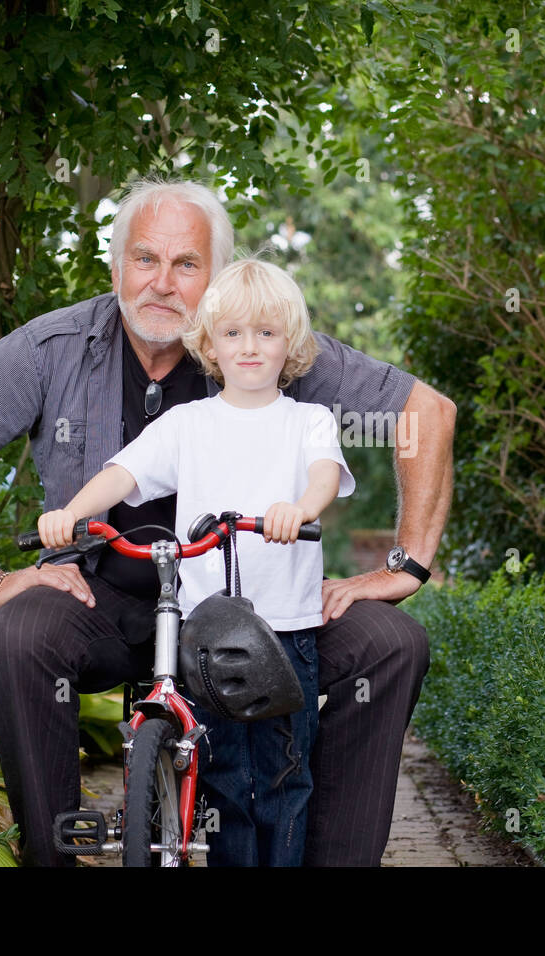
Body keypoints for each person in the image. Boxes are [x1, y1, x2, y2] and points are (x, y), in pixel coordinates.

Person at [0, 178, 456, 866]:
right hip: (105, 599)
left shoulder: (257, 340)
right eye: (145, 259)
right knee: (20, 636)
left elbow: (427, 412)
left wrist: (406, 567)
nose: (162, 282)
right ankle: (52, 860)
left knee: (391, 644)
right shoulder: (52, 348)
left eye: (186, 264)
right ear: (117, 266)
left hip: (258, 608)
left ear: (216, 279)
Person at [36, 258, 353, 865]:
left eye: (266, 333)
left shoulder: (307, 421)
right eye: (233, 334)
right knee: (227, 782)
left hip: (285, 630)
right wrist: (70, 517)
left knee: (284, 781)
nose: (250, 347)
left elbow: (323, 477)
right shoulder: (189, 424)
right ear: (208, 344)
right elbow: (120, 473)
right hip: (208, 633)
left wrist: (297, 508)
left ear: (291, 343)